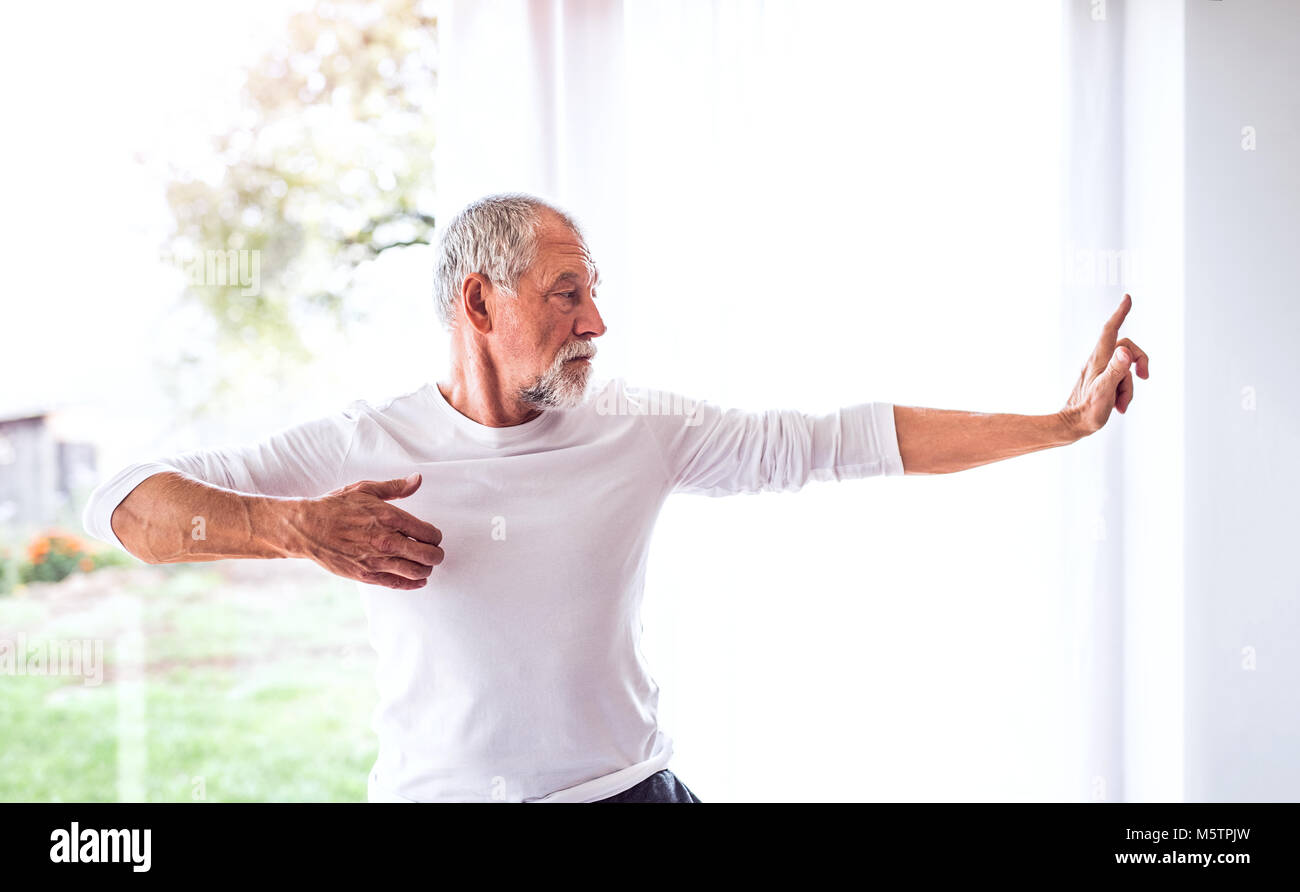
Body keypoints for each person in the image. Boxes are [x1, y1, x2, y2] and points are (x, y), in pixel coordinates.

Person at [82, 193, 1149, 803]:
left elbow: (843, 440)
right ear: (476, 301)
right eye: (566, 293)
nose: (595, 323)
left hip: (636, 795)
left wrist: (1059, 425)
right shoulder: (363, 442)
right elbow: (125, 505)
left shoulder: (639, 428)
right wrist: (297, 529)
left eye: (593, 293)